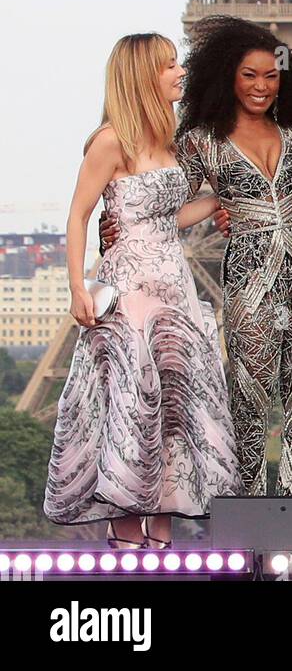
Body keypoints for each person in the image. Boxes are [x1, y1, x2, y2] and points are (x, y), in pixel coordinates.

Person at [101, 17, 292, 498]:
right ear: (228, 75)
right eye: (249, 75)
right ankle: (250, 517)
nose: (262, 86)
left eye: (271, 75)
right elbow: (162, 200)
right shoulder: (201, 139)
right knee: (248, 395)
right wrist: (120, 222)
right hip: (249, 274)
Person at [45, 34, 242, 547]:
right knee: (131, 407)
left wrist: (222, 199)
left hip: (174, 291)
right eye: (169, 65)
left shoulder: (172, 140)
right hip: (130, 292)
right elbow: (79, 214)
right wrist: (76, 287)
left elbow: (169, 218)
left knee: (172, 410)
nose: (180, 72)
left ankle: (159, 536)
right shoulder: (110, 141)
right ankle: (128, 537)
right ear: (141, 76)